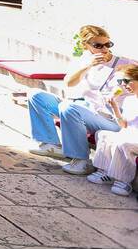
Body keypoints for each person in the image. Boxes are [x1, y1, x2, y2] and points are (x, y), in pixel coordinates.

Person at [28, 25, 133, 172]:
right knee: (36, 95)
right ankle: (51, 145)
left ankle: (82, 161)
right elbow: (69, 83)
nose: (104, 49)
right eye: (98, 45)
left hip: (110, 119)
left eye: (108, 44)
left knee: (69, 108)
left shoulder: (124, 64)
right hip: (85, 109)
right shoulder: (83, 61)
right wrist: (87, 66)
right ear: (86, 45)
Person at [82, 64, 138, 196]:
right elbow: (123, 124)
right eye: (120, 81)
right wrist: (114, 107)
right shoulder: (129, 100)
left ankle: (124, 181)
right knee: (103, 135)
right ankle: (104, 172)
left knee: (123, 143)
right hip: (128, 133)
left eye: (126, 81)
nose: (123, 85)